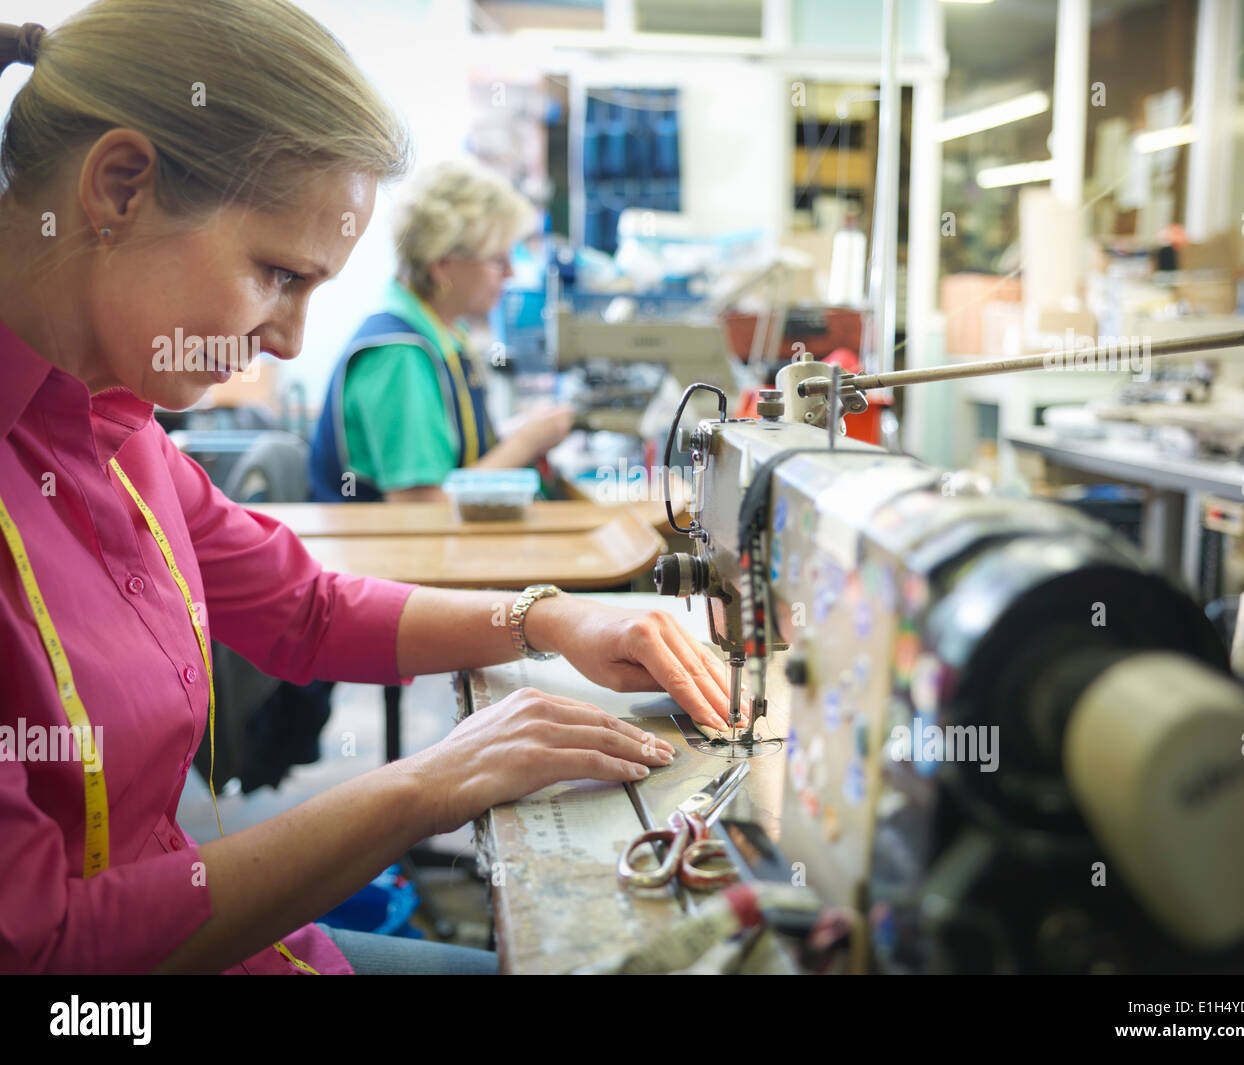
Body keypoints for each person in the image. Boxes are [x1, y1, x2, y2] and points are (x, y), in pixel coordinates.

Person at [0, 1, 737, 976]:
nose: (293, 339)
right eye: (275, 275)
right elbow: (43, 954)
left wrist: (549, 620)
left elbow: (302, 606)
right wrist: (423, 787)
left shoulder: (118, 430)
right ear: (120, 186)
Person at [309, 160, 573, 503]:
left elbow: (450, 456)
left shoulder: (445, 333)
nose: (510, 273)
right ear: (443, 266)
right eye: (497, 260)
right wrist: (525, 445)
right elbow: (422, 506)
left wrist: (524, 433)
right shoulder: (399, 356)